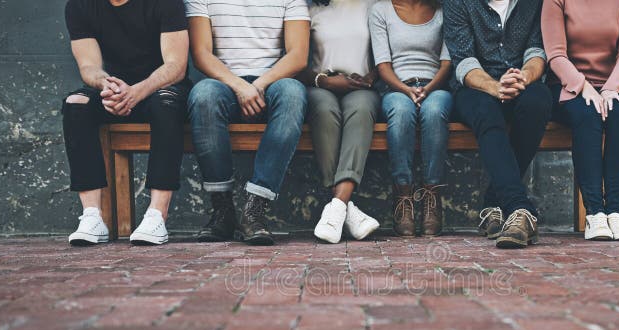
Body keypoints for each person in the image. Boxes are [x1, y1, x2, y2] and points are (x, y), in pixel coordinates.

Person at [62, 0, 190, 246]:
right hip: (117, 89)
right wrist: (106, 85)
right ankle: (92, 217)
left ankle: (156, 216)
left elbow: (176, 66)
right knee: (77, 103)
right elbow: (88, 66)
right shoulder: (80, 5)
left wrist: (137, 92)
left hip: (160, 88)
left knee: (165, 105)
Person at [185, 0, 310, 245]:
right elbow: (200, 54)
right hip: (224, 83)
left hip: (272, 82)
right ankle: (223, 211)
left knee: (293, 94)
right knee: (203, 96)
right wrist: (239, 86)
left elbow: (298, 56)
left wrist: (259, 85)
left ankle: (255, 210)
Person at [444, 0, 552, 248]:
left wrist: (523, 77)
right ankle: (520, 208)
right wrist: (496, 87)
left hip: (519, 80)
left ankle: (493, 201)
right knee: (486, 111)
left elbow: (536, 51)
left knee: (538, 101)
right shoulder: (457, 3)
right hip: (475, 86)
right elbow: (463, 60)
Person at [542, 0, 619, 240]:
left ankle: (616, 212)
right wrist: (582, 85)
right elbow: (555, 55)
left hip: (611, 84)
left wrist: (610, 88)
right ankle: (595, 213)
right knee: (588, 114)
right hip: (568, 85)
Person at [370, 0, 452, 237]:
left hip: (435, 87)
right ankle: (403, 198)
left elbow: (447, 62)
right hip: (396, 88)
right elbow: (383, 66)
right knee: (402, 111)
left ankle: (431, 198)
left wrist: (427, 90)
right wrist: (407, 91)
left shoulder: (443, 11)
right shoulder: (381, 10)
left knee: (435, 111)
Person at [303, 0, 382, 244]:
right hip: (320, 84)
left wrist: (370, 78)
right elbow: (296, 63)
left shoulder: (372, 5)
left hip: (361, 87)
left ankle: (337, 204)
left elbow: (385, 52)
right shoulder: (309, 7)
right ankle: (346, 208)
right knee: (324, 110)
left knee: (361, 109)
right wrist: (323, 81)